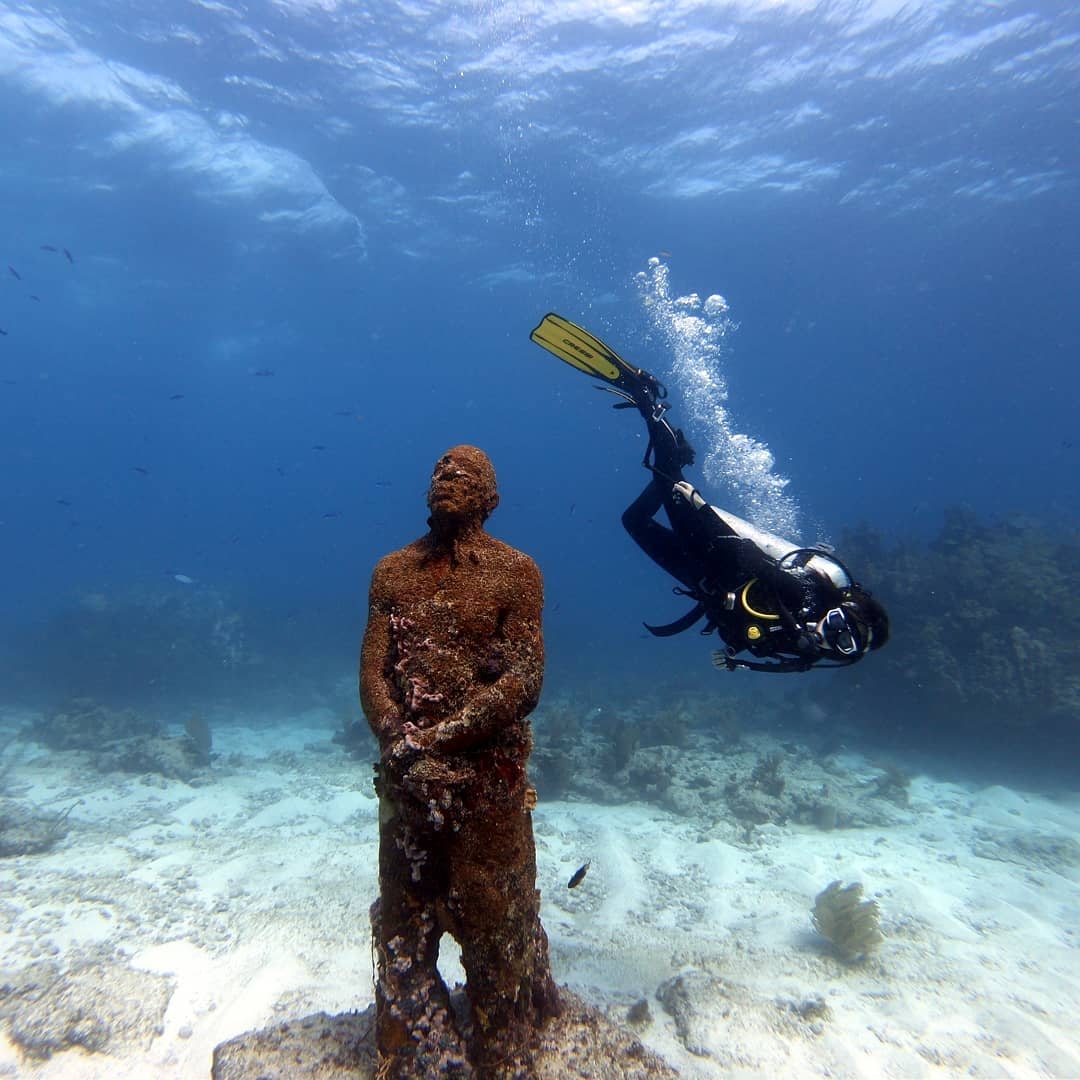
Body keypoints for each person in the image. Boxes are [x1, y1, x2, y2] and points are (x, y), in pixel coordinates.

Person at [530, 314, 889, 674]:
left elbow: (758, 649)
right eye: (843, 626)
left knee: (634, 520)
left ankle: (674, 458)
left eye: (845, 643)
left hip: (702, 580)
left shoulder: (808, 654)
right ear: (841, 610)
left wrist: (734, 658)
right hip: (716, 548)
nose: (833, 636)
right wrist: (702, 511)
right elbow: (750, 557)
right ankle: (647, 398)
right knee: (668, 479)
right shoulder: (806, 595)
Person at [360, 445, 561, 1078]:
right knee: (404, 919)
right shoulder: (392, 572)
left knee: (497, 923)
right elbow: (372, 670)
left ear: (490, 497)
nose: (449, 478)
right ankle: (415, 1043)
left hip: (486, 782)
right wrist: (396, 736)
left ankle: (505, 1044)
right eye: (441, 471)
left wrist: (438, 738)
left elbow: (523, 681)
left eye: (466, 475)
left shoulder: (515, 572)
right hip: (408, 781)